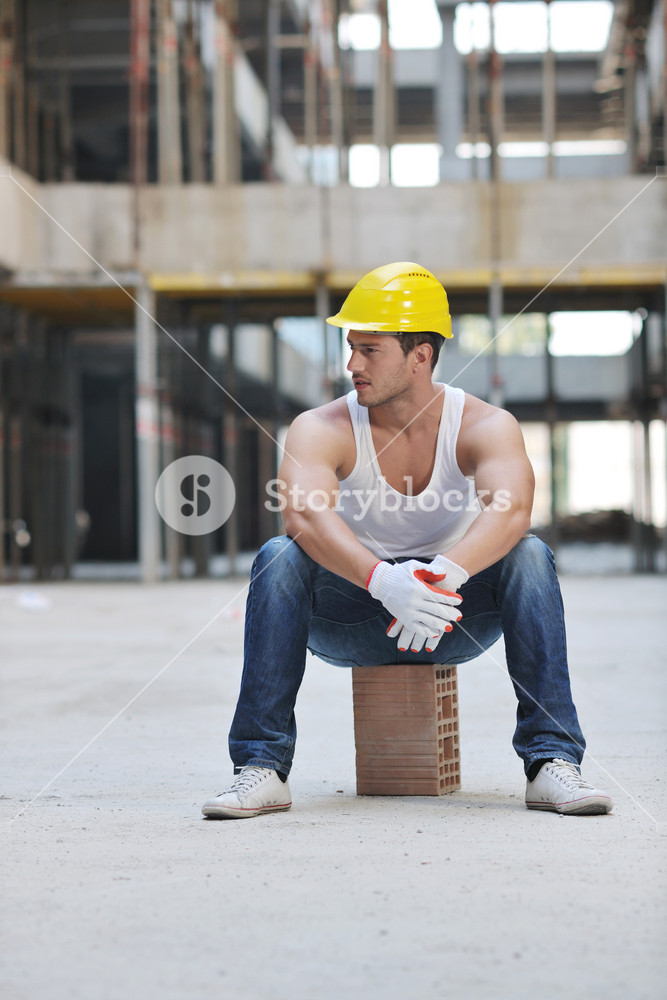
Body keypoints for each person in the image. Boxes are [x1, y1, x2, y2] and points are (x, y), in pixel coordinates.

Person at [202, 262, 613, 820]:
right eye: (351, 348)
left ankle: (551, 764)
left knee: (530, 556)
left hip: (449, 616)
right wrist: (383, 579)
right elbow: (302, 514)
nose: (352, 365)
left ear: (420, 355)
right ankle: (262, 768)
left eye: (370, 350)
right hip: (352, 615)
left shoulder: (484, 425)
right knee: (278, 558)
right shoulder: (321, 427)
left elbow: (511, 510)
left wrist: (442, 576)